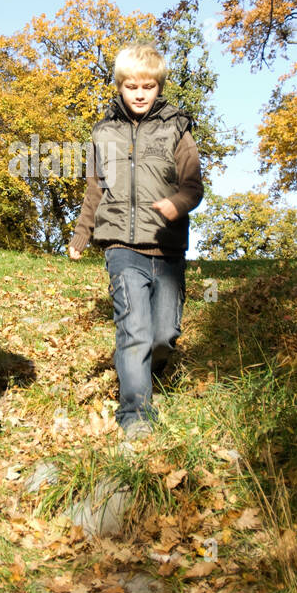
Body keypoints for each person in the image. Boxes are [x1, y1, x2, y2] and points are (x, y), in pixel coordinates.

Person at [67, 43, 203, 440]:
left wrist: (178, 204)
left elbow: (194, 185)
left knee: (163, 336)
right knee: (135, 330)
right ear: (119, 87)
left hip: (168, 247)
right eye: (131, 86)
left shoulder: (178, 128)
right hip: (121, 249)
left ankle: (147, 371)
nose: (140, 93)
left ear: (159, 87)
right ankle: (135, 415)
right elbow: (95, 190)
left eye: (148, 86)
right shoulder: (103, 132)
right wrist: (81, 234)